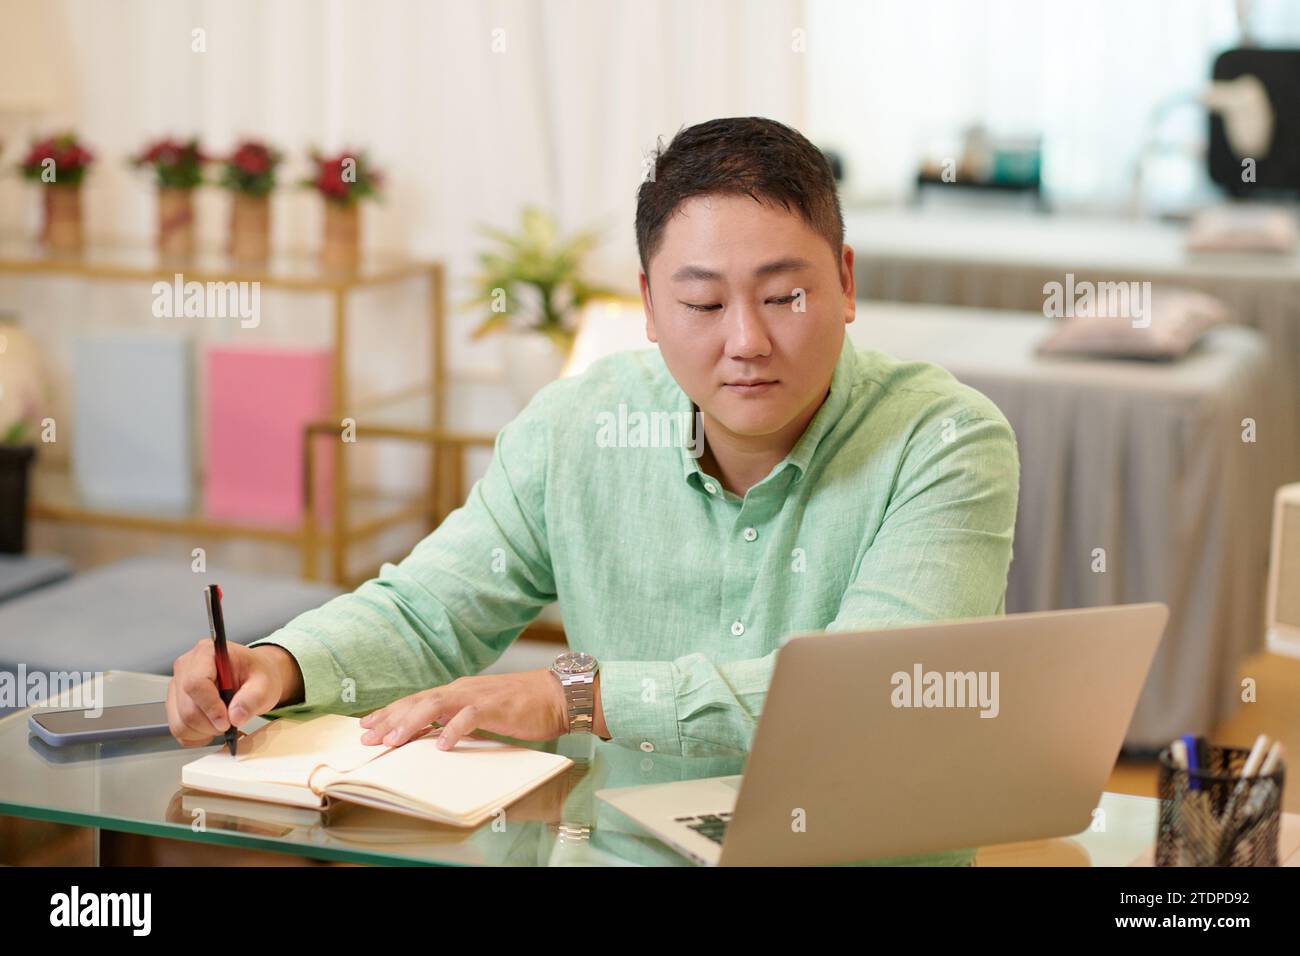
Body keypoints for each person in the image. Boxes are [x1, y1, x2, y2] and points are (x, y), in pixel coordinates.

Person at [168, 116, 1019, 758]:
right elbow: (432, 612)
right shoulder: (578, 427)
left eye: (784, 295)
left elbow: (870, 692)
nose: (748, 340)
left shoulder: (945, 441)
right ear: (648, 307)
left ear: (844, 282)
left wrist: (574, 696)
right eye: (703, 304)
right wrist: (284, 663)